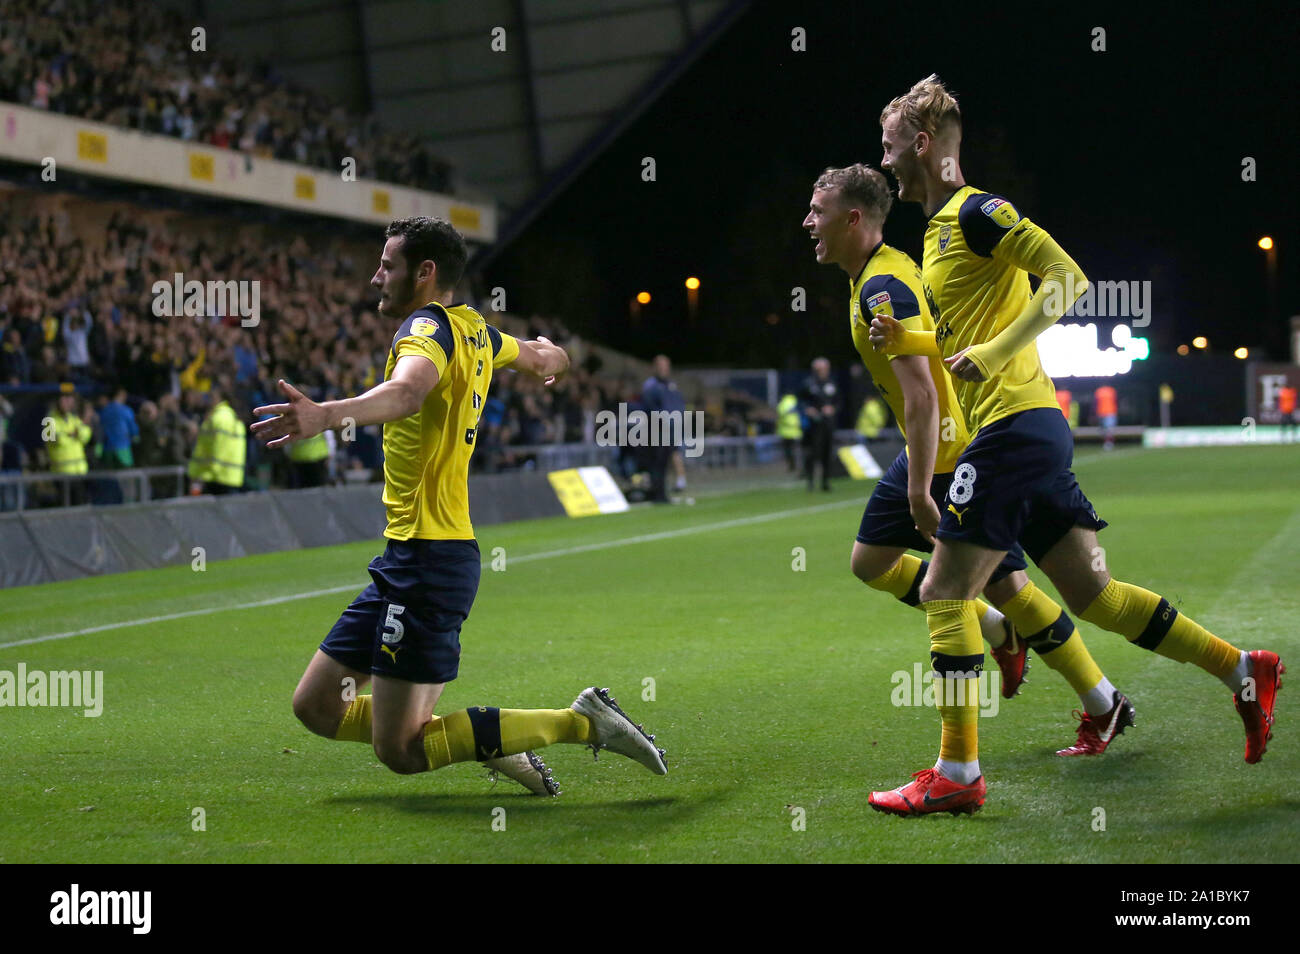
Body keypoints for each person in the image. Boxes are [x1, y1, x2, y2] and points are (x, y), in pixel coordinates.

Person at [868, 75, 1282, 815]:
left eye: (892, 143)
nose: (886, 157)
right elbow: (969, 332)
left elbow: (1068, 280)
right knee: (1093, 594)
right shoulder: (933, 233)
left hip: (1011, 428)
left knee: (944, 590)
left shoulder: (977, 212)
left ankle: (956, 776)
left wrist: (995, 354)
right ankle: (1243, 669)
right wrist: (913, 338)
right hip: (1029, 433)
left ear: (923, 144)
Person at [254, 216, 666, 797]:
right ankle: (484, 739)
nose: (376, 277)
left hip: (431, 562)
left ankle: (583, 722)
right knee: (317, 706)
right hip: (408, 558)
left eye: (388, 265)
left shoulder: (424, 329)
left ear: (424, 273)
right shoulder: (475, 330)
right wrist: (556, 357)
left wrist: (325, 414)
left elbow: (407, 392)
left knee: (400, 750)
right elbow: (547, 361)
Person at [805, 163, 1127, 741]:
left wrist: (918, 487)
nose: (808, 222)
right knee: (884, 563)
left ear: (853, 219)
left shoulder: (884, 283)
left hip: (950, 449)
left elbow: (924, 394)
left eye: (817, 211)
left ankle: (1000, 739)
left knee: (989, 588)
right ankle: (1055, 669)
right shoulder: (878, 275)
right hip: (947, 443)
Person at [641, 354, 686, 501]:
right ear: (655, 367)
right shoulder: (651, 385)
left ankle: (662, 494)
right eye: (660, 366)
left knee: (666, 462)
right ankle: (657, 494)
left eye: (665, 366)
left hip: (670, 429)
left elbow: (678, 404)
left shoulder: (670, 385)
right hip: (656, 429)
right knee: (657, 463)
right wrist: (665, 417)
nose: (663, 369)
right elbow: (650, 407)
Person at [188, 382, 246, 495]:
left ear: (218, 398)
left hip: (215, 479)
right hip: (230, 477)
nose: (208, 400)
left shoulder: (218, 418)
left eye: (211, 396)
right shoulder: (234, 417)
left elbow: (218, 451)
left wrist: (202, 476)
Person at [45, 390, 92, 505]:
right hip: (62, 474)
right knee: (65, 509)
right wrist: (73, 435)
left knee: (80, 507)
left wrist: (74, 433)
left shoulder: (73, 419)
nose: (67, 403)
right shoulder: (48, 420)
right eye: (64, 399)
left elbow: (86, 434)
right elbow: (53, 440)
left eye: (70, 399)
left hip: (79, 472)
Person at [800, 357, 839, 491]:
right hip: (813, 425)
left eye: (824, 369)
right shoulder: (808, 384)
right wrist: (808, 409)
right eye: (819, 369)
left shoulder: (831, 384)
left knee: (827, 453)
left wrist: (832, 408)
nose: (822, 371)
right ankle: (810, 482)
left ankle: (825, 482)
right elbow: (801, 401)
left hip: (828, 424)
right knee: (811, 453)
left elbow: (839, 402)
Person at [777, 392, 802, 471]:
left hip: (785, 432)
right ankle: (801, 466)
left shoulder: (782, 404)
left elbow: (780, 416)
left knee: (788, 451)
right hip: (797, 431)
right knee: (799, 450)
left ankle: (792, 466)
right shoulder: (796, 402)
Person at [1094, 384, 1118, 449]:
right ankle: (1106, 442)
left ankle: (1109, 443)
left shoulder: (1112, 390)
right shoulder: (1099, 391)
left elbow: (1116, 400)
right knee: (1103, 430)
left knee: (1109, 429)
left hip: (1110, 412)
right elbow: (1096, 402)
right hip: (1101, 412)